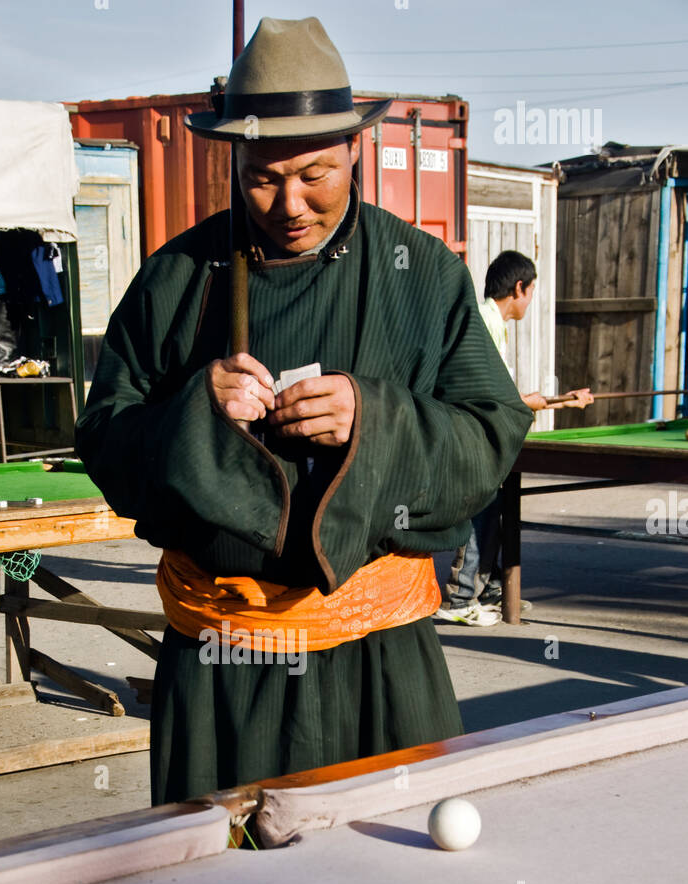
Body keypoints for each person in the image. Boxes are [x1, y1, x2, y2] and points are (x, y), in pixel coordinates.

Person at [75, 17, 532, 809]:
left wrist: (375, 417)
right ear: (233, 159)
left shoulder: (420, 275)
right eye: (262, 177)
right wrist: (193, 410)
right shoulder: (177, 278)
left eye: (316, 173)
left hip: (381, 660)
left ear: (355, 148)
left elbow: (492, 436)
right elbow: (106, 442)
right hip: (223, 666)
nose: (290, 204)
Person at [437, 250, 593, 624]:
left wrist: (559, 402)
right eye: (532, 290)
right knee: (480, 514)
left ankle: (490, 592)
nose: (531, 299)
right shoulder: (482, 323)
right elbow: (489, 397)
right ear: (519, 287)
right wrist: (547, 403)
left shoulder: (494, 324)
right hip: (471, 439)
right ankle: (458, 601)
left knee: (496, 513)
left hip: (487, 438)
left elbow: (503, 397)